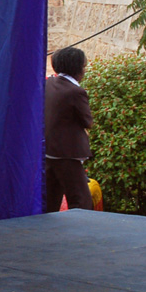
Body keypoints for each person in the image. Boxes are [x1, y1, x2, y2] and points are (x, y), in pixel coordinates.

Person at [44, 46, 95, 212]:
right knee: (81, 200)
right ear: (77, 69)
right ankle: (80, 234)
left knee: (50, 195)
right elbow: (87, 121)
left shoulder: (49, 83)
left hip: (49, 149)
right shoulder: (76, 91)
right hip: (68, 153)